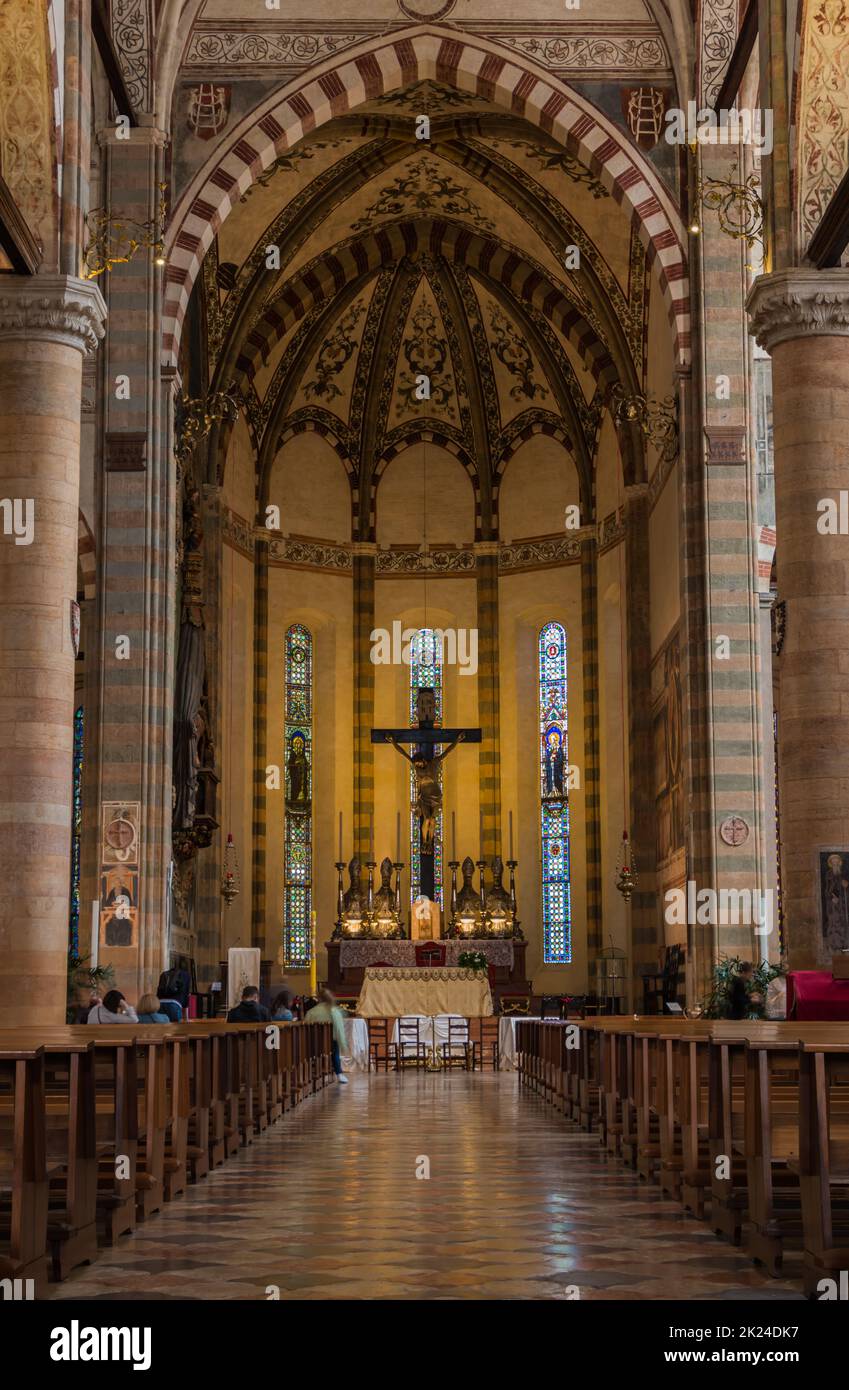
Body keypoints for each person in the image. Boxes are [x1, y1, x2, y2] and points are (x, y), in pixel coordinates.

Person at [305, 987, 349, 1084]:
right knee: (335, 1050)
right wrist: (343, 1043)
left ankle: (309, 1073)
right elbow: (339, 1030)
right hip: (330, 1044)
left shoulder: (311, 1012)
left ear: (319, 999)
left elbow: (305, 1027)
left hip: (313, 1044)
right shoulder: (335, 1011)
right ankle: (339, 1073)